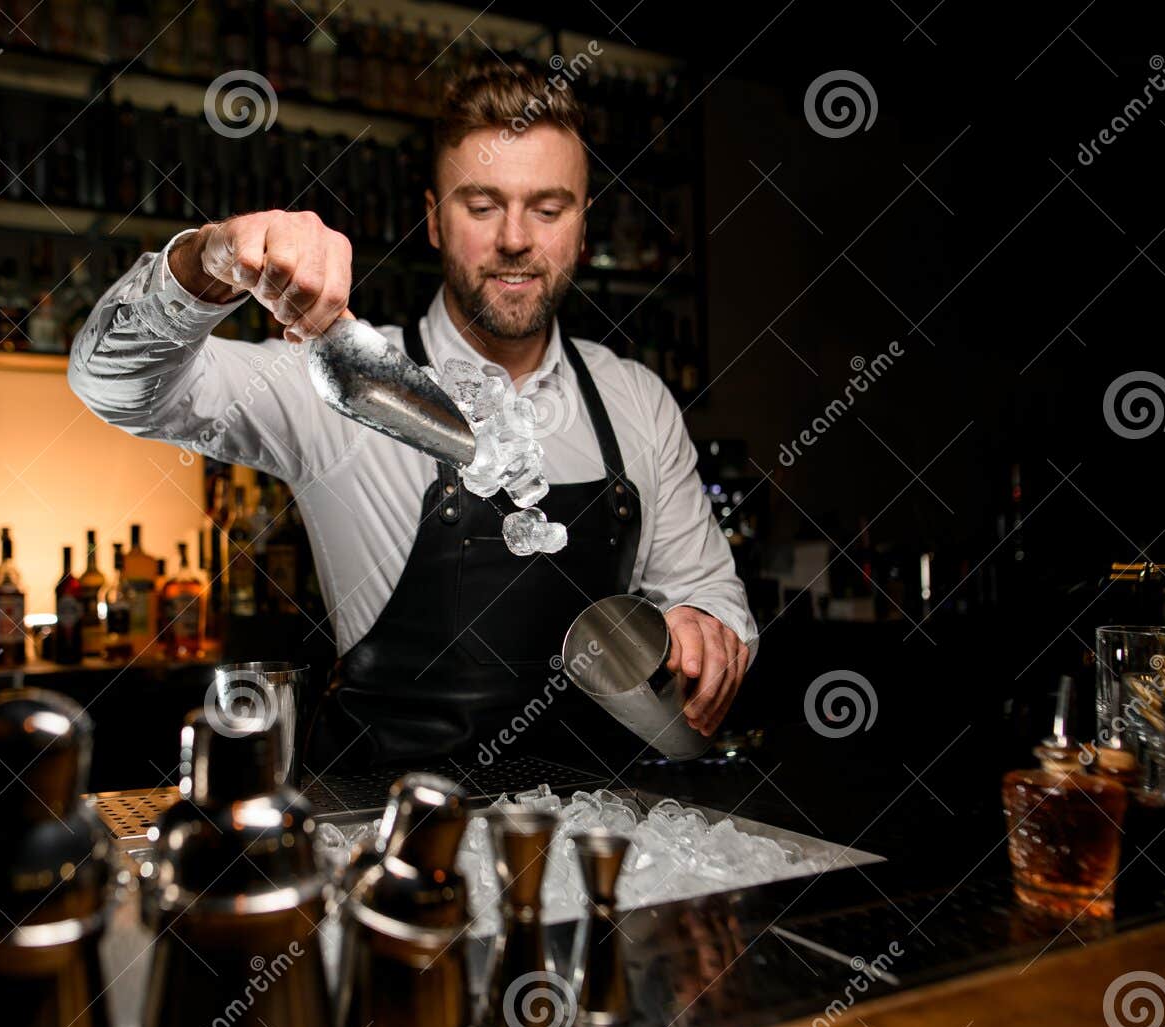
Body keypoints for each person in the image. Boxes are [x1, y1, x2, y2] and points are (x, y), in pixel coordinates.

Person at [69, 57, 757, 774]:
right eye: (482, 206)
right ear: (433, 220)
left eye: (548, 209)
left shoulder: (636, 399)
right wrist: (210, 258)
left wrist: (707, 633)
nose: (516, 239)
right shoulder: (340, 381)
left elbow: (710, 595)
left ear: (582, 226)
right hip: (394, 850)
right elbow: (114, 382)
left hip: (601, 849)